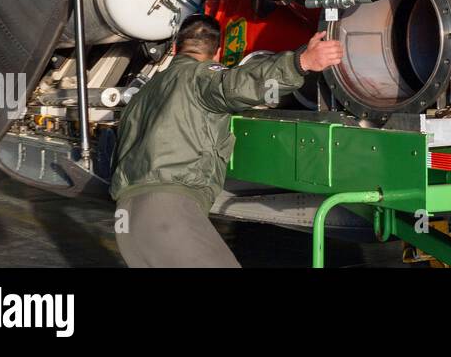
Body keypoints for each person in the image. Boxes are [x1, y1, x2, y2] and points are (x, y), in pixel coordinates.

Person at [110, 15, 344, 267]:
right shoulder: (200, 75)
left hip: (126, 217)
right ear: (218, 52)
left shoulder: (143, 92)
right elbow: (236, 85)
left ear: (176, 48)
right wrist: (301, 63)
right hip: (167, 209)